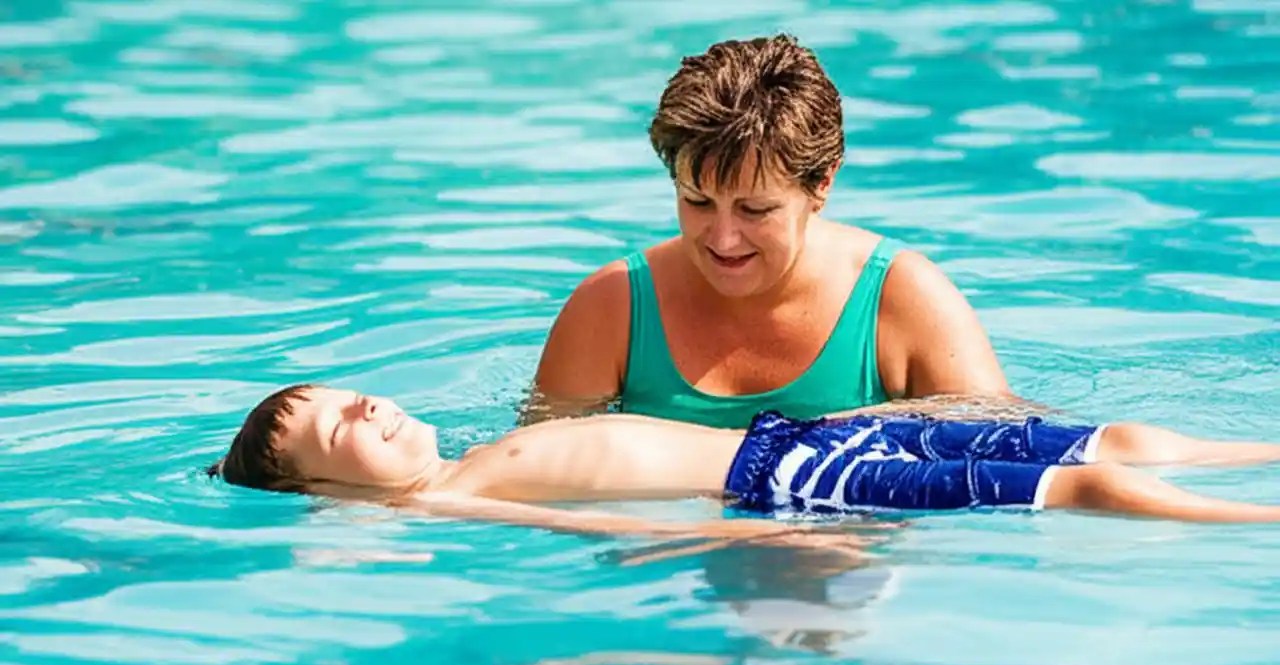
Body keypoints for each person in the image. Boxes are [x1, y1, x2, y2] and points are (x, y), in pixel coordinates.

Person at [529, 34, 1012, 428]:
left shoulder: (901, 300)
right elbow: (532, 473)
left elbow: (1007, 449)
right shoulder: (612, 310)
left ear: (822, 184)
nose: (723, 238)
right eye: (697, 202)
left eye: (755, 210)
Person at [209, 384, 1280, 535]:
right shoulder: (439, 500)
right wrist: (714, 532)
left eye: (357, 394)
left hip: (810, 438)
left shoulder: (481, 447)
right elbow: (581, 522)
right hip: (782, 482)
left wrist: (891, 409)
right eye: (342, 430)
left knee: (1118, 438)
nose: (371, 409)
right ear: (322, 489)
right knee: (1087, 484)